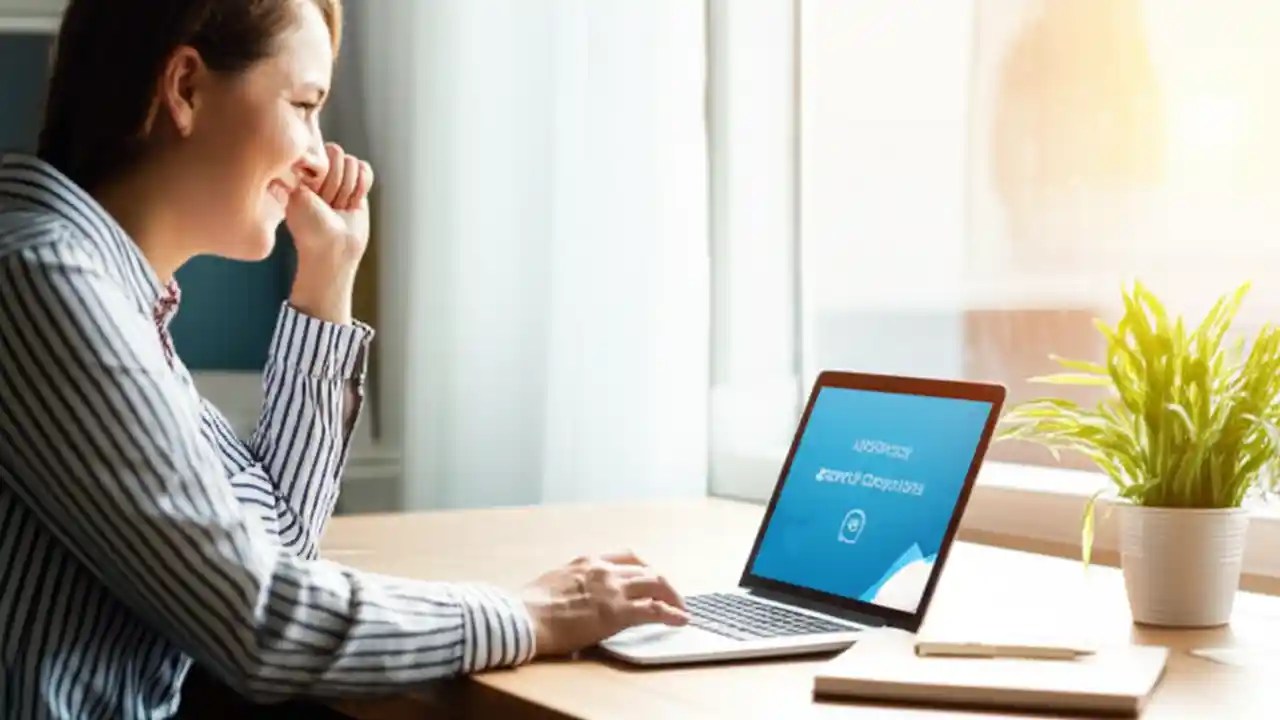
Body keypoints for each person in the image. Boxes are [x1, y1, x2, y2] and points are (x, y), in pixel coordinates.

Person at [0, 1, 689, 718]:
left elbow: (275, 552)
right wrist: (530, 614)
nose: (319, 157)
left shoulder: (105, 296)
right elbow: (257, 620)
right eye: (304, 105)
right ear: (186, 89)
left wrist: (326, 278)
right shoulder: (39, 278)